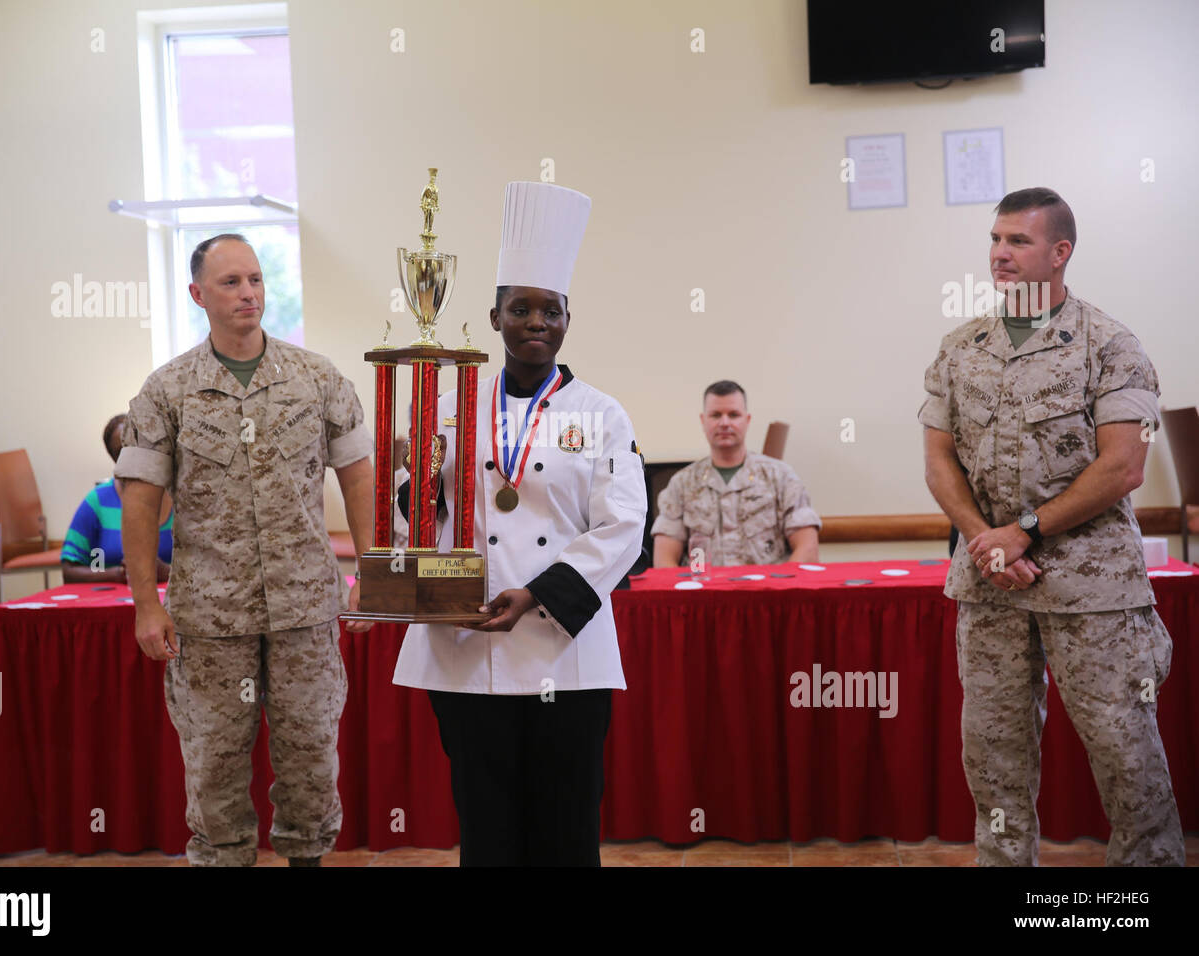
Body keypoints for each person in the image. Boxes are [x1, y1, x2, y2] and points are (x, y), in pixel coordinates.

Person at [919, 187, 1183, 866]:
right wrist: (988, 539)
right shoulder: (960, 348)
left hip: (1091, 590)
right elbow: (939, 460)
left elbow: (1123, 467)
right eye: (996, 239)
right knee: (993, 756)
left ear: (1060, 252)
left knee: (1124, 749)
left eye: (1019, 241)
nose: (1000, 254)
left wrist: (1025, 532)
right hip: (992, 585)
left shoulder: (1111, 344)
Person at [393, 181, 647, 866]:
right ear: (496, 316)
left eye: (550, 310)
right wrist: (414, 488)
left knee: (565, 833)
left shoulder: (600, 413)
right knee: (487, 833)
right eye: (521, 308)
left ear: (568, 319)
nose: (537, 321)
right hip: (469, 644)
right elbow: (414, 511)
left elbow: (623, 527)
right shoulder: (446, 403)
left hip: (563, 650)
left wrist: (535, 593)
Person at [116, 234, 375, 867]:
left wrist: (371, 569)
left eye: (255, 279)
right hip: (211, 620)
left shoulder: (316, 378)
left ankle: (307, 859)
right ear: (197, 294)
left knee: (313, 756)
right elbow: (141, 501)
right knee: (213, 767)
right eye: (231, 282)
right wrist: (146, 605)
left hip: (305, 611)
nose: (248, 293)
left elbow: (360, 474)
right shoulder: (167, 390)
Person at [651, 381, 820, 567]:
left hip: (767, 591)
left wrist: (781, 587)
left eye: (733, 415)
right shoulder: (682, 484)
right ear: (703, 420)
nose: (725, 423)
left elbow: (808, 549)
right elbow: (664, 559)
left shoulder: (781, 477)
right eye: (715, 415)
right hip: (703, 592)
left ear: (747, 420)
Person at [60, 413, 173, 584]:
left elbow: (209, 570)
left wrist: (165, 572)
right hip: (111, 605)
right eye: (121, 452)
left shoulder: (180, 500)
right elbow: (69, 571)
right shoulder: (97, 501)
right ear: (114, 459)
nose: (132, 458)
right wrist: (118, 574)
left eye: (138, 447)